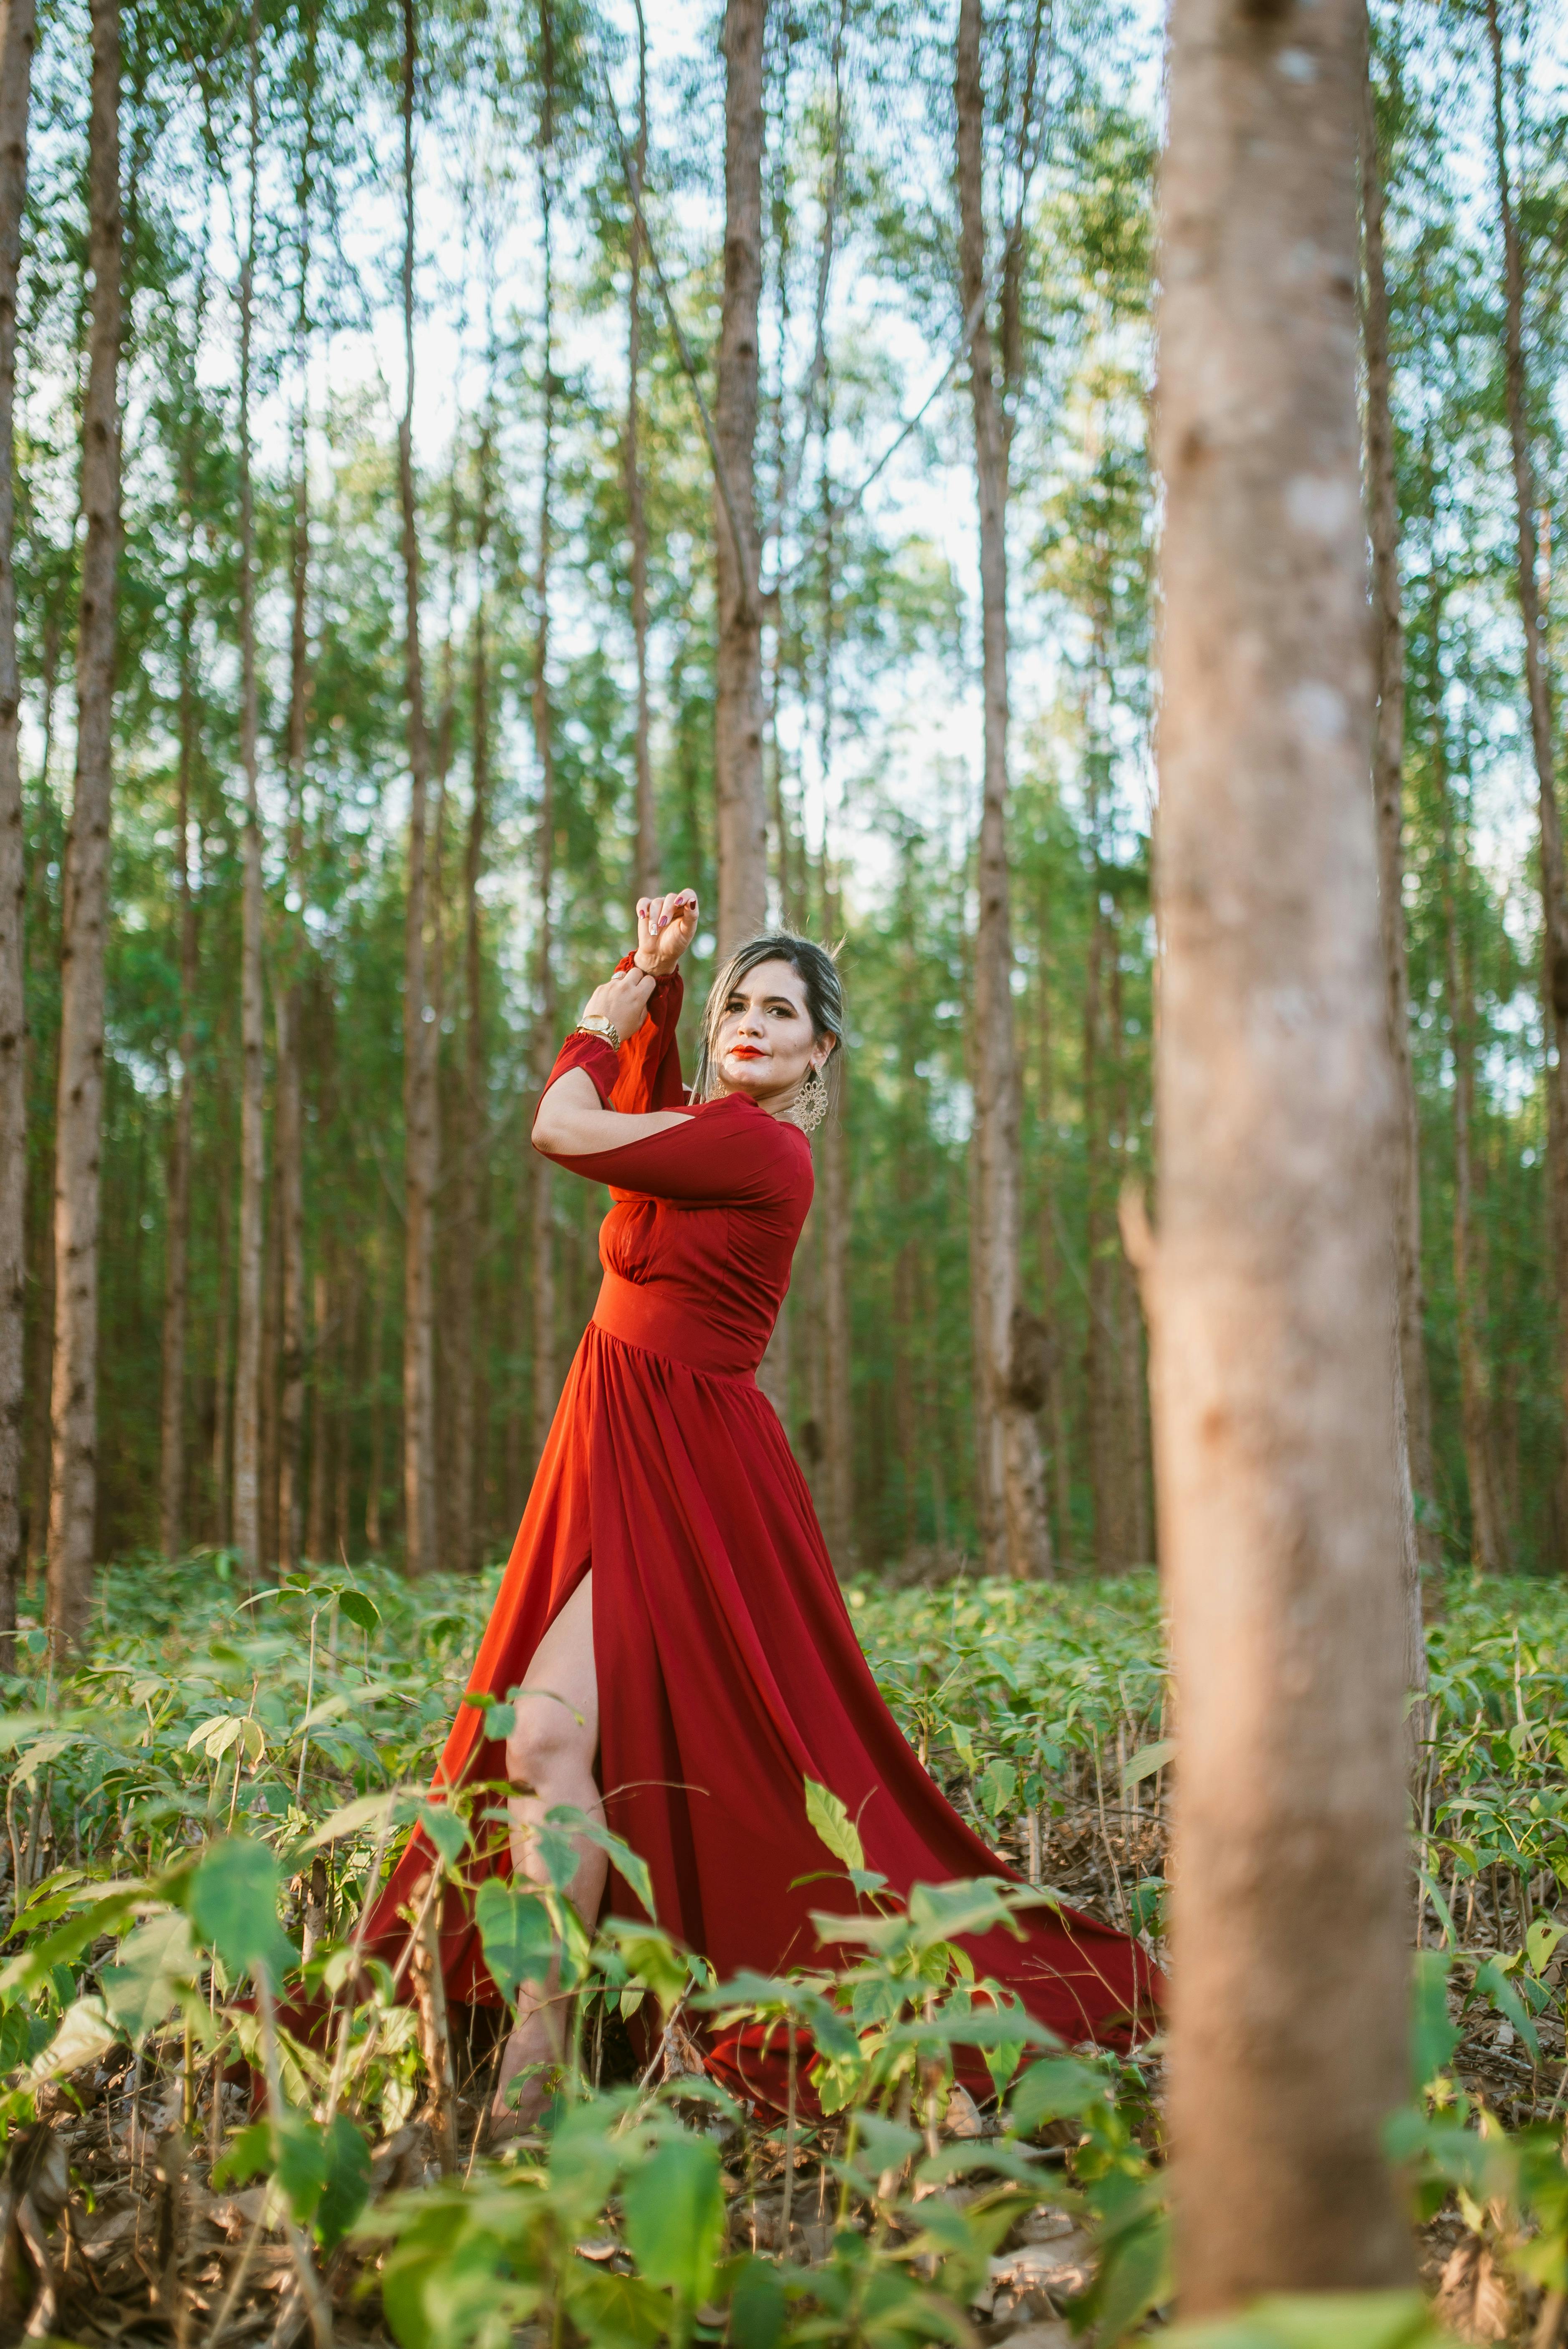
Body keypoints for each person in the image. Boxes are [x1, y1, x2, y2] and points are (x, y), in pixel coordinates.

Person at [360, 890, 1159, 2131]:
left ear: (818, 1054)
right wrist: (657, 975)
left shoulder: (764, 1150)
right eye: (738, 1001)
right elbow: (649, 1113)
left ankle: (553, 2053)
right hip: (620, 1434)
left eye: (778, 1010)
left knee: (618, 1744)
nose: (750, 1022)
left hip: (693, 1465)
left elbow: (567, 1129)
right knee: (551, 1739)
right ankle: (541, 2047)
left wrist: (589, 1023)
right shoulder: (708, 1126)